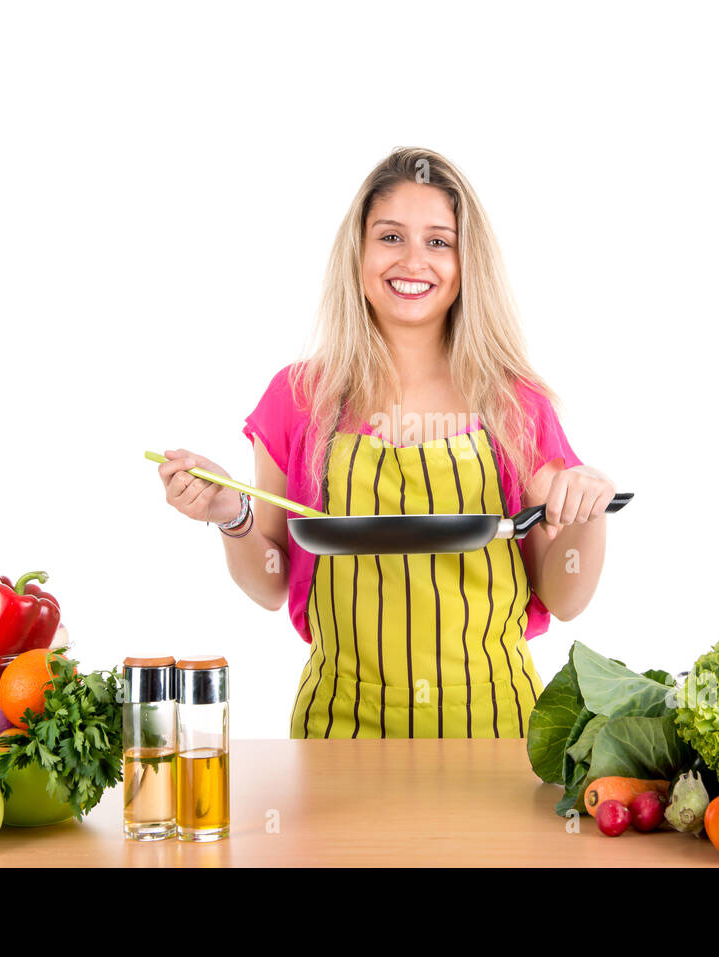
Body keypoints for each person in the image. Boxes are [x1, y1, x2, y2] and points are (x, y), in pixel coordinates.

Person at [158, 147, 619, 739]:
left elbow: (563, 595)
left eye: (438, 242)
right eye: (390, 236)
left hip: (496, 731)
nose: (412, 260)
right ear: (359, 252)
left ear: (467, 261)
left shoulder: (515, 403)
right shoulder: (299, 397)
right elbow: (271, 582)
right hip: (338, 734)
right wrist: (231, 515)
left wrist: (588, 513)